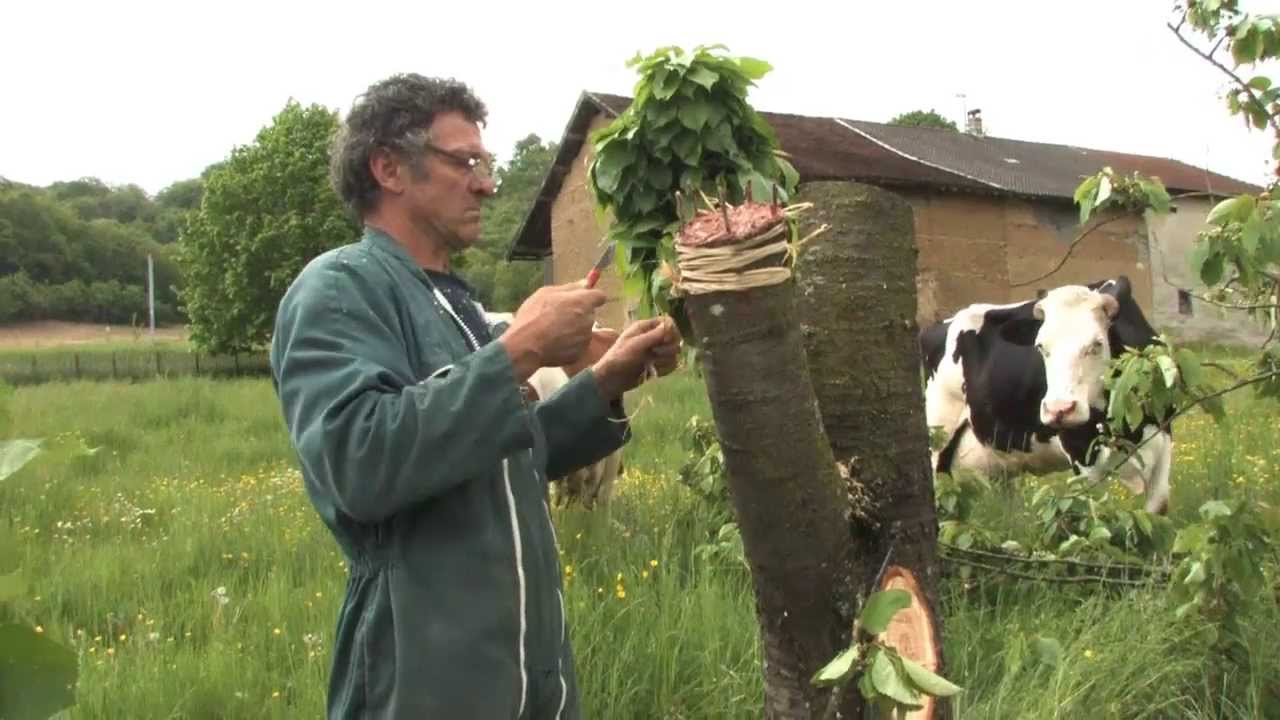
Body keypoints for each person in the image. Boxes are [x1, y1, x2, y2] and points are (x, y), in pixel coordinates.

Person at [268, 73, 682, 719]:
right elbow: (361, 465)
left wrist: (605, 382)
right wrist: (523, 349)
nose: (487, 183)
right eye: (465, 162)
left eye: (485, 163)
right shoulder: (340, 287)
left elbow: (509, 458)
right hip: (423, 675)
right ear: (389, 169)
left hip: (529, 667)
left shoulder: (457, 308)